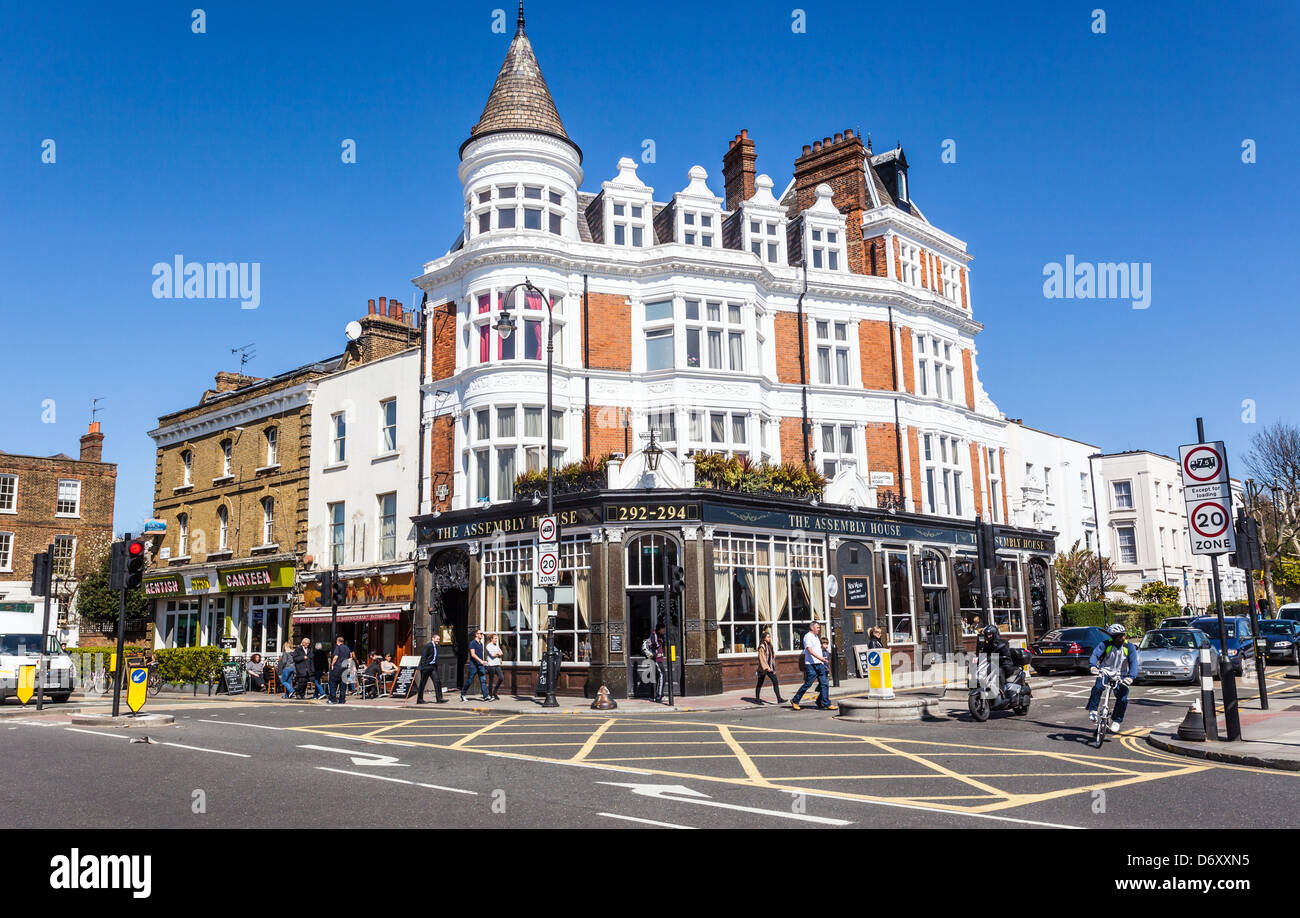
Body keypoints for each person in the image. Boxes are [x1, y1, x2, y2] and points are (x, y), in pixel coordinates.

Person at [1086, 623, 1138, 732]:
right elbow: (1095, 655)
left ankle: (1117, 720)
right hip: (1105, 672)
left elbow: (1134, 663)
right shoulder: (1105, 645)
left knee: (1123, 698)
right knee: (1097, 688)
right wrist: (1093, 666)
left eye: (1123, 635)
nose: (1123, 637)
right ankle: (1093, 710)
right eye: (1120, 636)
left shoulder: (1129, 647)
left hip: (1121, 676)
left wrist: (1131, 677)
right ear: (1114, 637)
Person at [790, 622, 834, 711]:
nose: (819, 629)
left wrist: (822, 659)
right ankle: (795, 700)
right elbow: (810, 650)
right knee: (808, 684)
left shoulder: (816, 637)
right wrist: (821, 658)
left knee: (824, 684)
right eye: (817, 627)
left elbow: (817, 650)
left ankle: (825, 703)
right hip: (811, 664)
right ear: (812, 628)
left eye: (819, 627)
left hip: (819, 664)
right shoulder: (808, 637)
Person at [754, 629, 783, 704]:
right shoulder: (762, 646)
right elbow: (761, 658)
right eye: (768, 637)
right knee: (760, 683)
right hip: (764, 668)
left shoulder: (770, 645)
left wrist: (772, 664)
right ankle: (757, 699)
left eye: (770, 637)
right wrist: (767, 668)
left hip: (770, 667)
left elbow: (772, 655)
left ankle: (779, 699)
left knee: (775, 682)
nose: (769, 638)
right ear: (764, 638)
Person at [460, 629, 490, 702]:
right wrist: (481, 661)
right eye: (480, 633)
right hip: (473, 665)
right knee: (470, 680)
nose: (481, 635)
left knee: (483, 680)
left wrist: (483, 661)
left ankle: (485, 696)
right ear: (476, 634)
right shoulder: (472, 643)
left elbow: (480, 654)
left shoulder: (481, 644)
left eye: (482, 634)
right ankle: (463, 694)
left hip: (480, 665)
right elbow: (473, 654)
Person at [417, 634, 444, 704]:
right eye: (437, 639)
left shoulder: (436, 646)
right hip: (426, 667)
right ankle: (419, 700)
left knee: (437, 682)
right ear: (433, 639)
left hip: (433, 667)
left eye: (439, 639)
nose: (438, 640)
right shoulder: (428, 646)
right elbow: (423, 656)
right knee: (423, 683)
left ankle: (439, 699)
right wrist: (424, 666)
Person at [328, 635, 352, 705]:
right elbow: (350, 658)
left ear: (337, 641)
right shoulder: (347, 648)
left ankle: (333, 699)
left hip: (337, 668)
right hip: (345, 668)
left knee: (333, 684)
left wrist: (332, 664)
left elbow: (335, 657)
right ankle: (342, 700)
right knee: (343, 685)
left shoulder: (338, 648)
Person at [648, 624, 667, 703]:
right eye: (662, 629)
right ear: (659, 629)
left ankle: (660, 694)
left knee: (662, 676)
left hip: (660, 658)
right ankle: (659, 696)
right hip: (656, 659)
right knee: (662, 676)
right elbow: (652, 645)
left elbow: (662, 646)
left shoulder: (661, 635)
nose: (663, 631)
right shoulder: (654, 635)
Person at [484, 633, 504, 701]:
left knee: (501, 678)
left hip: (497, 664)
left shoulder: (496, 646)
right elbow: (492, 655)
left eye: (496, 638)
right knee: (491, 680)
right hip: (491, 665)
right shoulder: (488, 646)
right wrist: (498, 653)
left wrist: (498, 653)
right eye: (495, 638)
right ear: (491, 639)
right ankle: (490, 694)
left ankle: (494, 692)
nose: (496, 640)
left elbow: (501, 653)